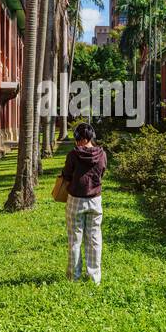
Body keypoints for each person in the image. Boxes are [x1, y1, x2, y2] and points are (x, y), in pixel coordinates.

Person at [60, 122, 107, 284]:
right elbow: (102, 172)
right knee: (94, 238)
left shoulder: (73, 154)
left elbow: (66, 175)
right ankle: (95, 278)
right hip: (95, 200)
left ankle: (74, 276)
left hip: (76, 201)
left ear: (78, 138)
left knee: (75, 239)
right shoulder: (101, 154)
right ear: (92, 137)